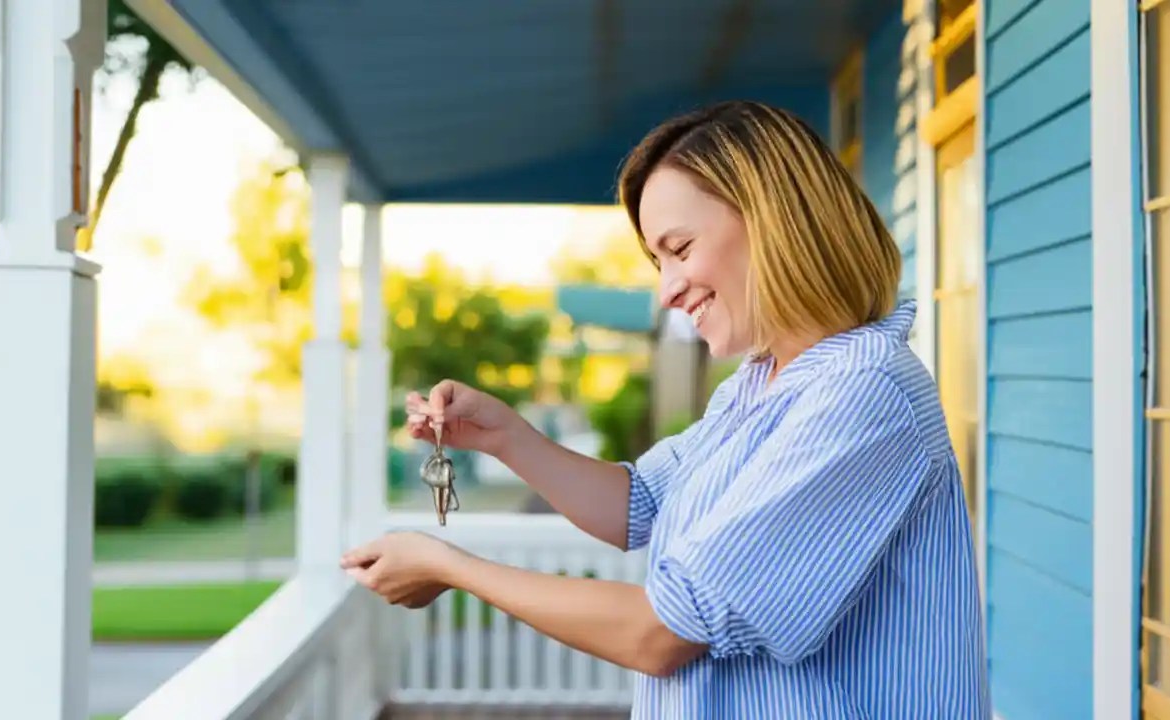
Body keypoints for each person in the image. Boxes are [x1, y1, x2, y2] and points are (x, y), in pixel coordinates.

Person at [340, 100, 990, 718]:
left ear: (774, 218)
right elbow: (641, 503)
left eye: (679, 249)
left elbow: (664, 632)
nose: (668, 289)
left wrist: (450, 567)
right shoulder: (760, 384)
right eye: (657, 261)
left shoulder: (861, 394)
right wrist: (504, 435)